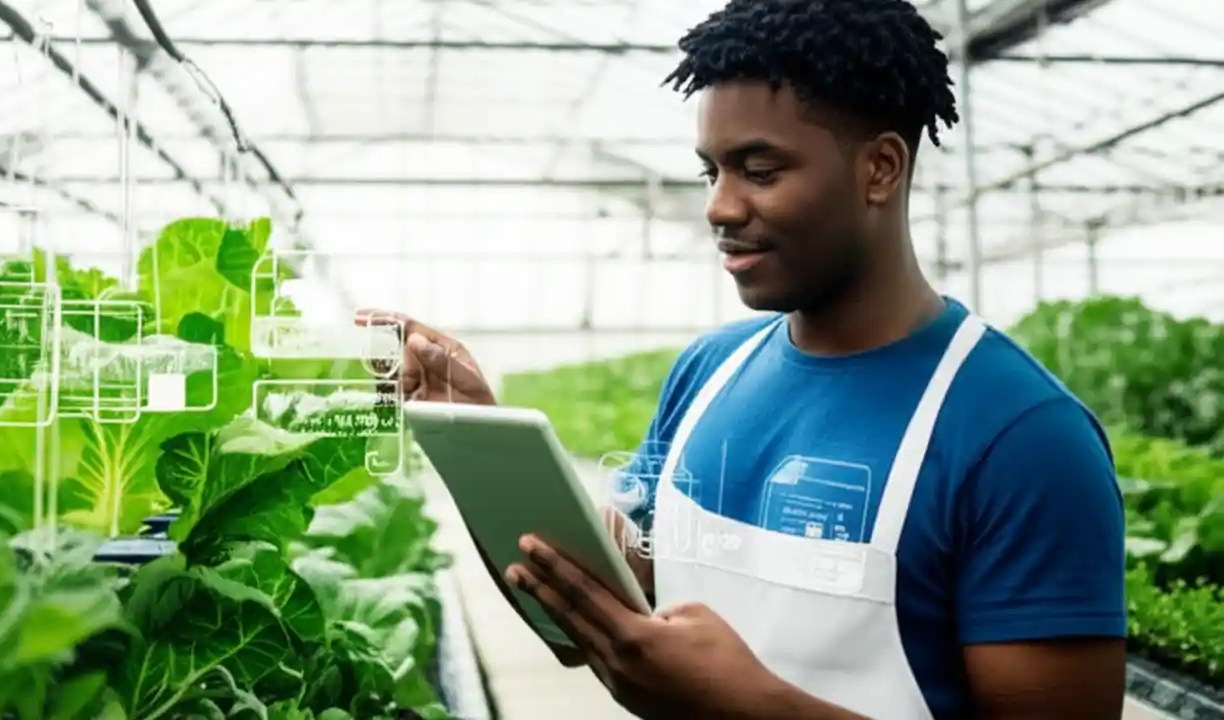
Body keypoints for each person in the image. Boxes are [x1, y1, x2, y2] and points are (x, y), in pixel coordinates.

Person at [357, 0, 1128, 717]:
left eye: (761, 171)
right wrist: (480, 449)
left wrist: (752, 708)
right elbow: (625, 601)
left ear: (881, 169)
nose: (720, 207)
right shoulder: (706, 371)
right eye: (712, 170)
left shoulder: (1023, 437)